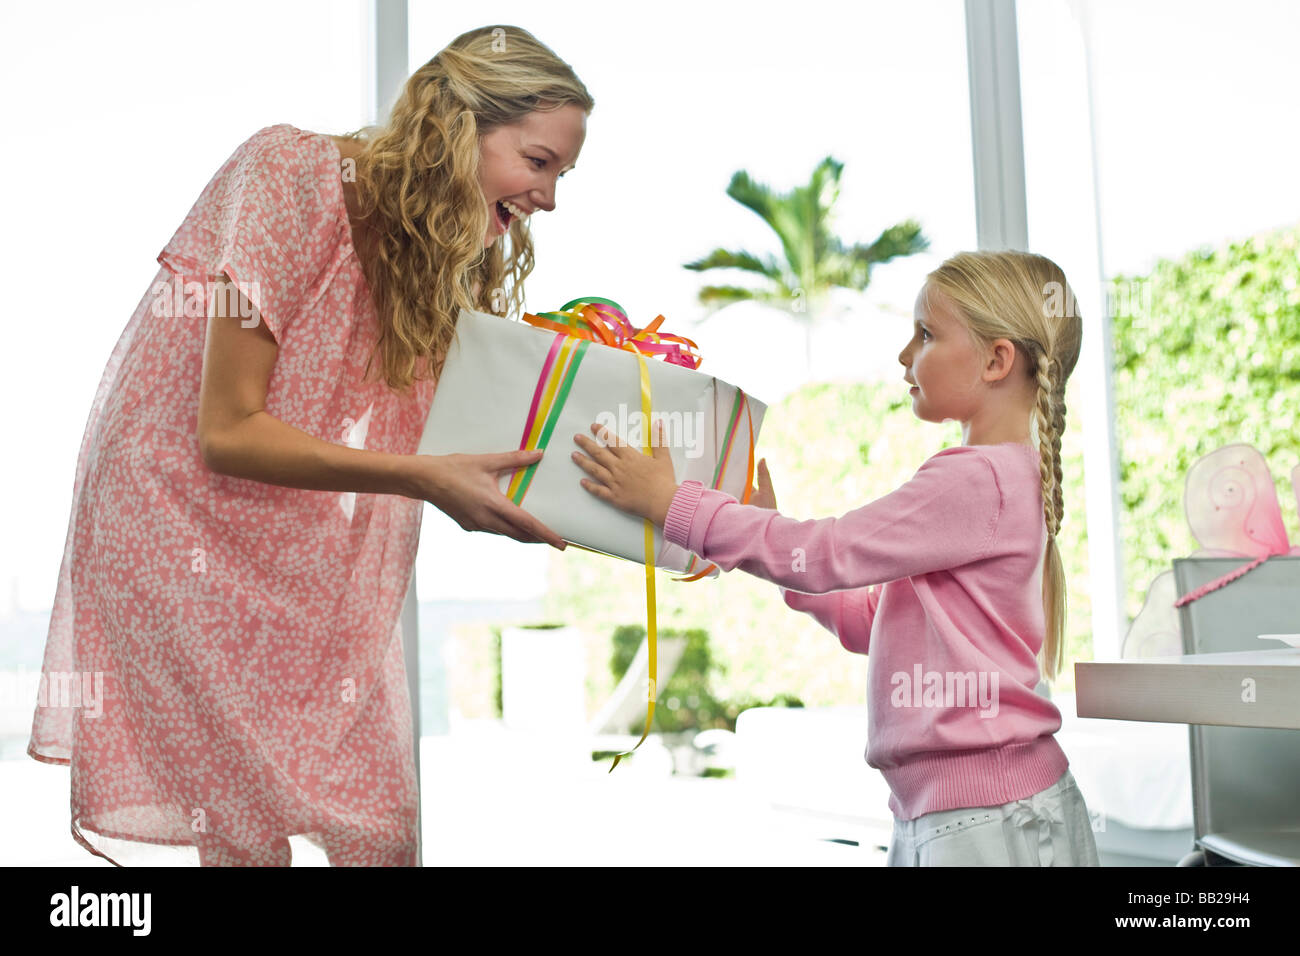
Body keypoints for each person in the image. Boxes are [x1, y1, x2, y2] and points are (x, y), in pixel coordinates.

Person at [28, 24, 590, 867]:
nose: (548, 199)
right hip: (167, 522)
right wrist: (426, 480)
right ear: (455, 123)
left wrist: (685, 512)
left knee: (378, 827)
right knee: (249, 837)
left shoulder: (438, 257)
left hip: (293, 541)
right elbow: (227, 430)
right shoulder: (287, 173)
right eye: (538, 162)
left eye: (561, 176)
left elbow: (492, 440)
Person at [571, 250, 1100, 866]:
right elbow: (866, 621)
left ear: (996, 359)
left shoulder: (978, 479)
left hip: (988, 822)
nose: (906, 355)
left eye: (926, 334)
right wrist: (758, 538)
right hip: (965, 815)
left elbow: (825, 554)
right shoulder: (994, 479)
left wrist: (673, 505)